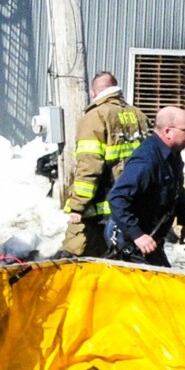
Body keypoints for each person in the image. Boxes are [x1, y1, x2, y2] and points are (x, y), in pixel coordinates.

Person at [61, 72, 150, 256]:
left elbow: (89, 166)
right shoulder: (138, 115)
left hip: (105, 203)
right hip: (135, 201)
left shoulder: (95, 117)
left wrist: (78, 205)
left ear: (94, 93)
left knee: (83, 251)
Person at [105, 105, 185, 268]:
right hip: (130, 239)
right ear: (168, 131)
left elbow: (176, 189)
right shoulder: (147, 159)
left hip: (151, 235)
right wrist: (137, 235)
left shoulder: (172, 155)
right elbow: (117, 198)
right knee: (157, 287)